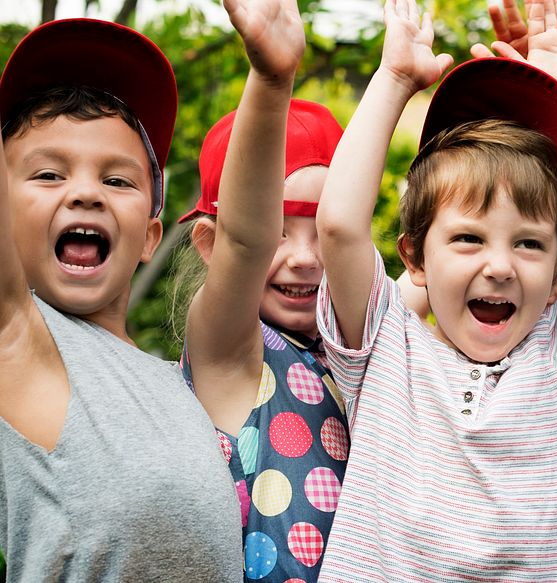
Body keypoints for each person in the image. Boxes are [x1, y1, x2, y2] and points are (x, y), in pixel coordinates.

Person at [313, 0, 557, 579]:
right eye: (468, 239)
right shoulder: (385, 347)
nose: (500, 266)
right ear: (414, 258)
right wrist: (394, 79)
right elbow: (339, 226)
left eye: (528, 244)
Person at [0, 17, 242, 580]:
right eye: (48, 174)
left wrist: (275, 78)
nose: (86, 191)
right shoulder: (19, 341)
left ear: (150, 237)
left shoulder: (177, 382)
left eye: (117, 180)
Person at [170, 0, 353, 579]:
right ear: (209, 244)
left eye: (325, 231)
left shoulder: (363, 341)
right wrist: (272, 81)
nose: (305, 258)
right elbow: (243, 244)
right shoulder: (230, 349)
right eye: (278, 231)